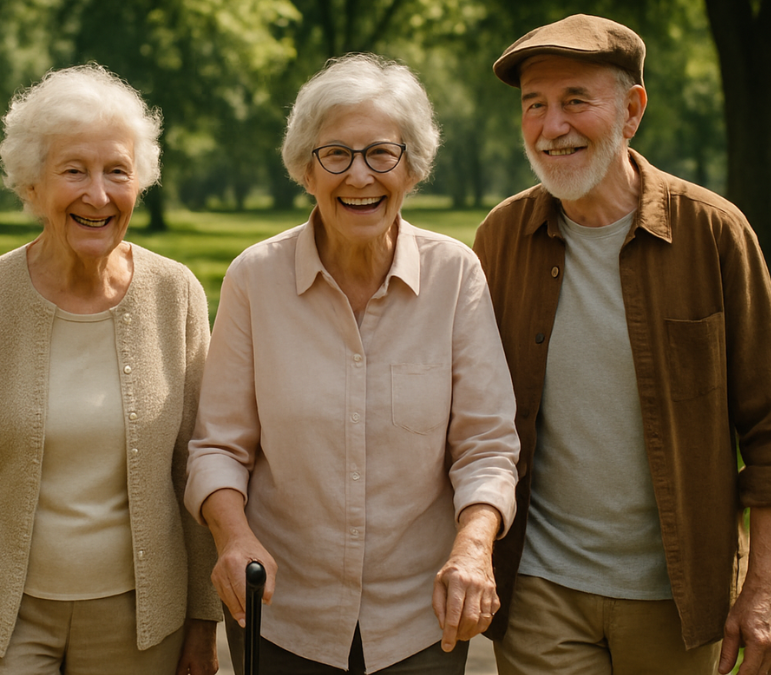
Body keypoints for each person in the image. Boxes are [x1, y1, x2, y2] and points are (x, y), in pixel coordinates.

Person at [473, 14, 771, 675]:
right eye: (534, 105)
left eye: (576, 100)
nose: (552, 126)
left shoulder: (714, 233)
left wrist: (765, 590)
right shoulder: (500, 239)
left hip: (680, 598)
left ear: (632, 111)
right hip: (542, 586)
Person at [185, 54, 521, 675]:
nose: (358, 176)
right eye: (334, 154)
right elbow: (218, 448)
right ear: (305, 170)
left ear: (412, 166)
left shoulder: (455, 275)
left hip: (421, 621)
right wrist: (234, 538)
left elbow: (487, 446)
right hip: (283, 618)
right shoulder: (255, 279)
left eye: (381, 154)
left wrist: (474, 550)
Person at [0, 64, 222, 675]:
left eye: (117, 172)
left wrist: (203, 625)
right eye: (73, 170)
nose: (97, 195)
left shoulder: (174, 294)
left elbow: (195, 464)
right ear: (33, 183)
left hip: (142, 624)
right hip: (2, 620)